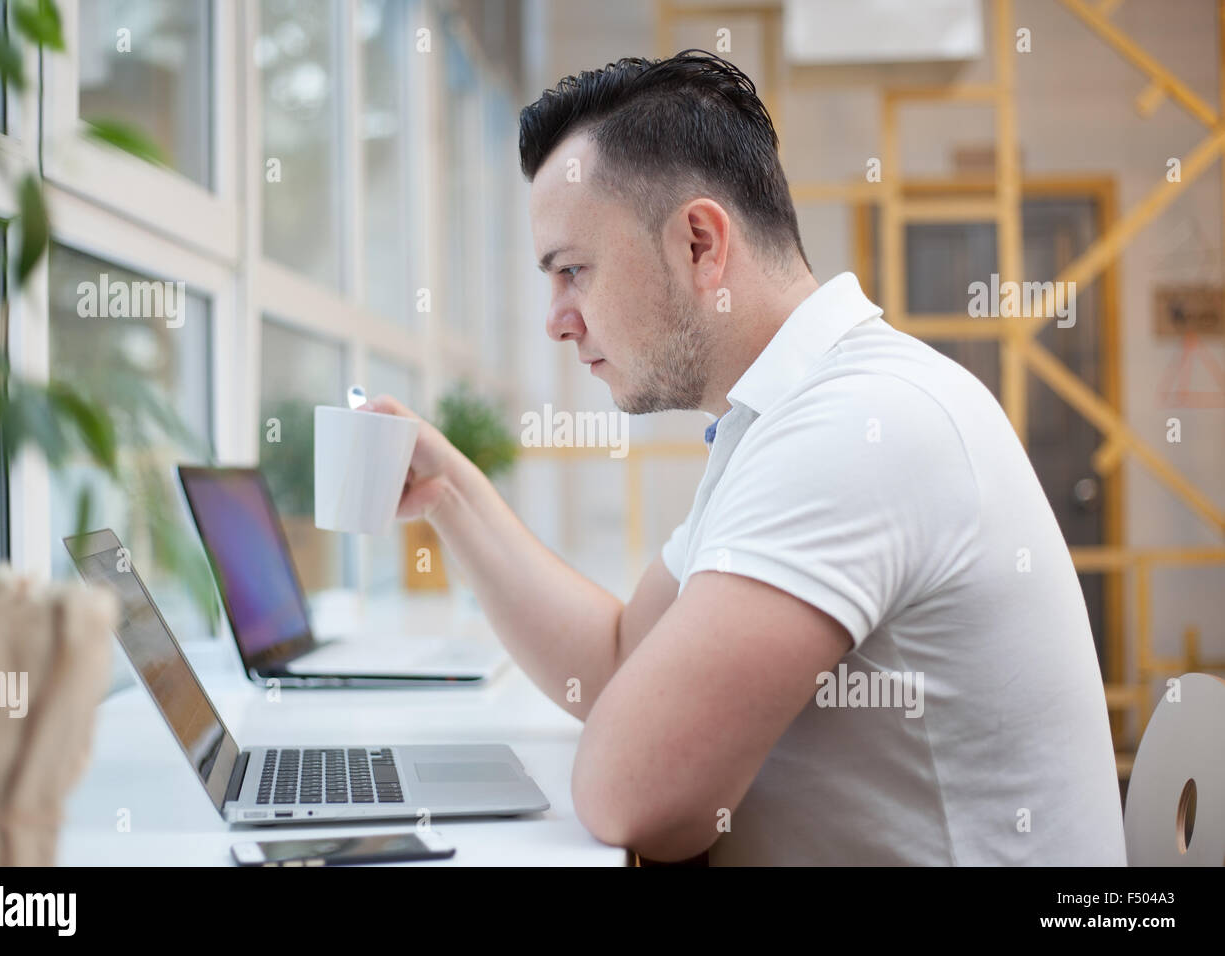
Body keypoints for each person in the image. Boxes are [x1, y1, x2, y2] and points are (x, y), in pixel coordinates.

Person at [367, 50, 1126, 865]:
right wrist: (449, 490)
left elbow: (637, 798)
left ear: (699, 242)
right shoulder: (779, 417)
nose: (558, 320)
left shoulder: (857, 425)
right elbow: (620, 658)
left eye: (573, 271)